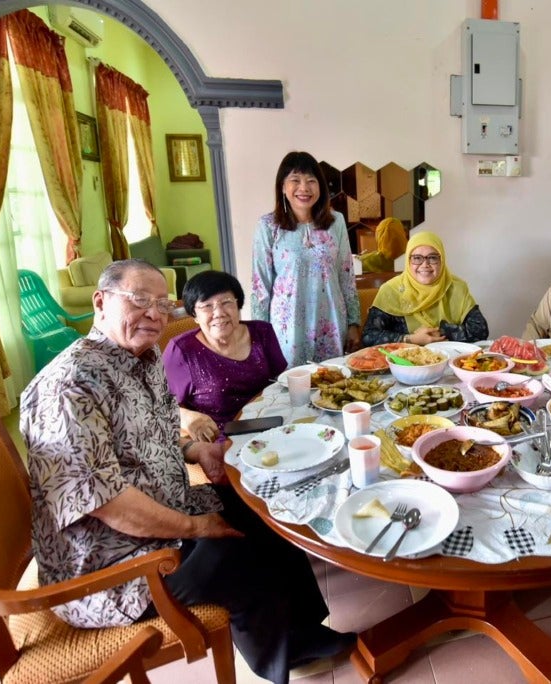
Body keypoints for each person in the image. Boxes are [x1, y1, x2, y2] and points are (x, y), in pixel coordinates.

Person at [21, 259, 353, 684]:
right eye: (139, 300)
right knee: (232, 553)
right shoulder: (69, 386)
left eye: (162, 304)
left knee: (264, 505)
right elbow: (110, 505)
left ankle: (302, 628)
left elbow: (152, 439)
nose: (154, 314)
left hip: (163, 514)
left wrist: (196, 450)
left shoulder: (141, 358)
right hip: (110, 567)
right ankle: (278, 656)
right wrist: (197, 527)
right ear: (100, 302)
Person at [251, 151, 361, 367]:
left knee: (333, 380)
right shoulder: (268, 226)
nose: (304, 188)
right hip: (288, 327)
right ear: (283, 187)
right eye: (295, 180)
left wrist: (354, 323)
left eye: (311, 180)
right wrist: (260, 338)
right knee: (292, 382)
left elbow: (346, 275)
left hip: (330, 321)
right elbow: (260, 287)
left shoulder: (336, 222)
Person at [163, 270, 287, 442]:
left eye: (226, 302)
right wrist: (187, 418)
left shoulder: (262, 332)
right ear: (194, 315)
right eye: (207, 306)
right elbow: (161, 405)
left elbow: (281, 381)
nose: (219, 312)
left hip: (273, 424)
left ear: (238, 305)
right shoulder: (182, 351)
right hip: (223, 440)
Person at [361, 231, 489, 346]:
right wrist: (411, 339)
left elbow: (480, 331)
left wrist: (441, 331)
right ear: (408, 261)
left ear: (442, 260)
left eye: (432, 258)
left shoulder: (456, 287)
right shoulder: (391, 291)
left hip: (450, 359)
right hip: (404, 362)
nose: (425, 264)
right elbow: (369, 336)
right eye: (417, 258)